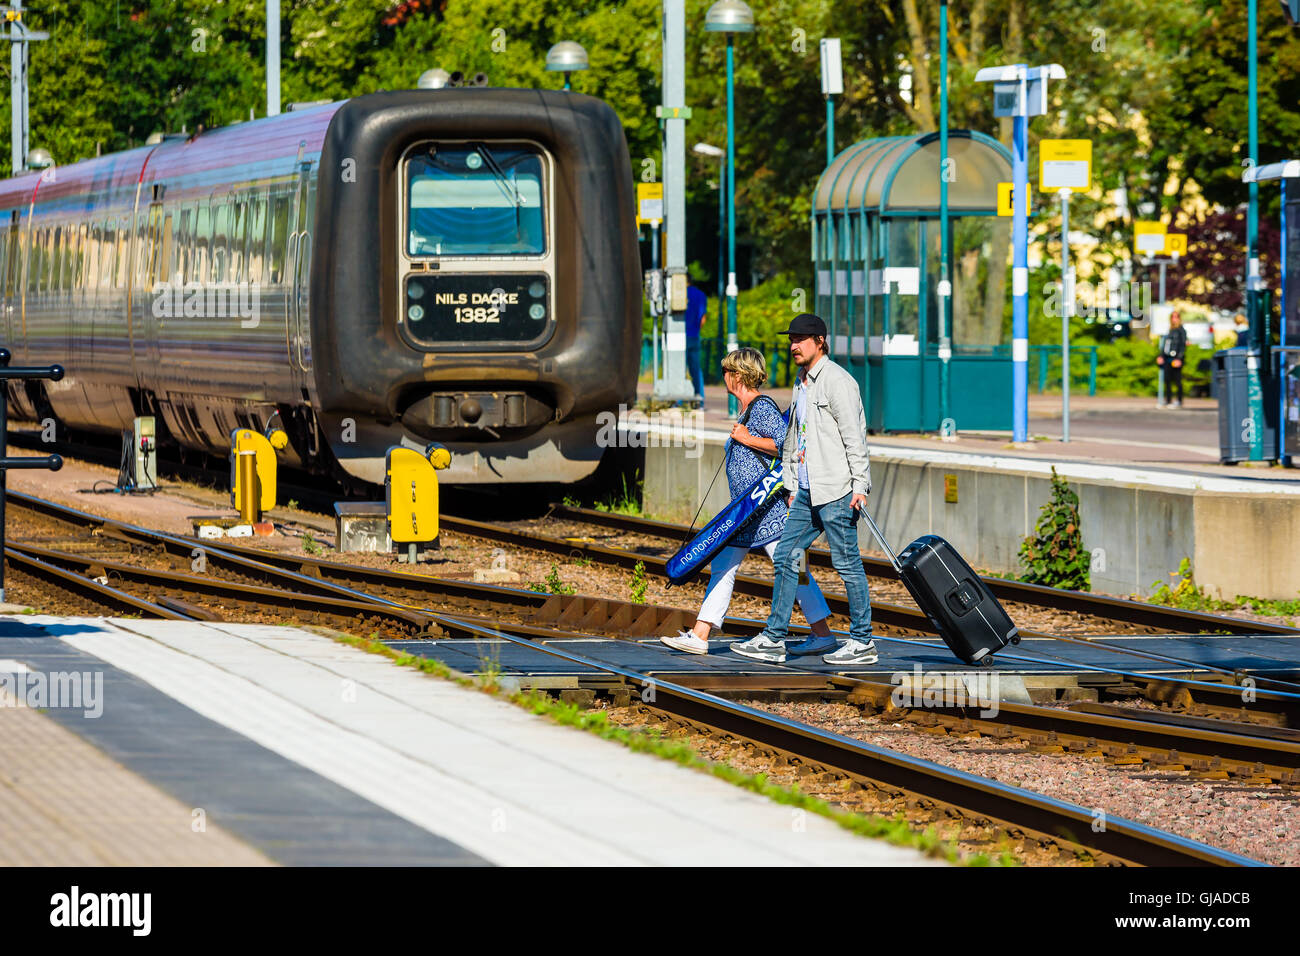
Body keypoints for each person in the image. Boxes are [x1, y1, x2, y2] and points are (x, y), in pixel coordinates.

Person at [660, 348, 833, 655]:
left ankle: (822, 633)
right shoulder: (745, 410)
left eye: (727, 371)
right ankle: (700, 634)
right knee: (724, 566)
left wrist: (745, 438)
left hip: (766, 509)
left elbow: (785, 445)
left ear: (737, 376)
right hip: (745, 511)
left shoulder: (761, 407)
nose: (723, 376)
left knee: (796, 566)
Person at [730, 313, 877, 665]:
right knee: (785, 556)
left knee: (847, 564)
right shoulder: (802, 382)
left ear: (820, 341)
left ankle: (863, 641)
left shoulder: (838, 382)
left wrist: (861, 484)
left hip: (837, 489)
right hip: (807, 491)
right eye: (791, 339)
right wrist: (793, 483)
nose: (793, 345)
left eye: (801, 339)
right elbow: (796, 436)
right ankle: (774, 638)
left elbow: (855, 439)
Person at [1157, 310, 1187, 408]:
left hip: (1176, 359)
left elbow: (1182, 346)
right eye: (1172, 317)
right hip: (1167, 358)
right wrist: (1161, 356)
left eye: (1176, 317)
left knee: (1177, 380)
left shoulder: (1181, 330)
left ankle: (1179, 400)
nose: (1174, 319)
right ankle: (1168, 400)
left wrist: (1179, 358)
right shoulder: (1169, 330)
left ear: (1179, 318)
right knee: (1167, 380)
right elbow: (1165, 345)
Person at [684, 282, 708, 407]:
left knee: (679, 369)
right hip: (694, 335)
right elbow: (703, 318)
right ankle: (699, 399)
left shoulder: (679, 292)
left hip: (679, 336)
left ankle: (679, 400)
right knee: (696, 370)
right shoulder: (701, 295)